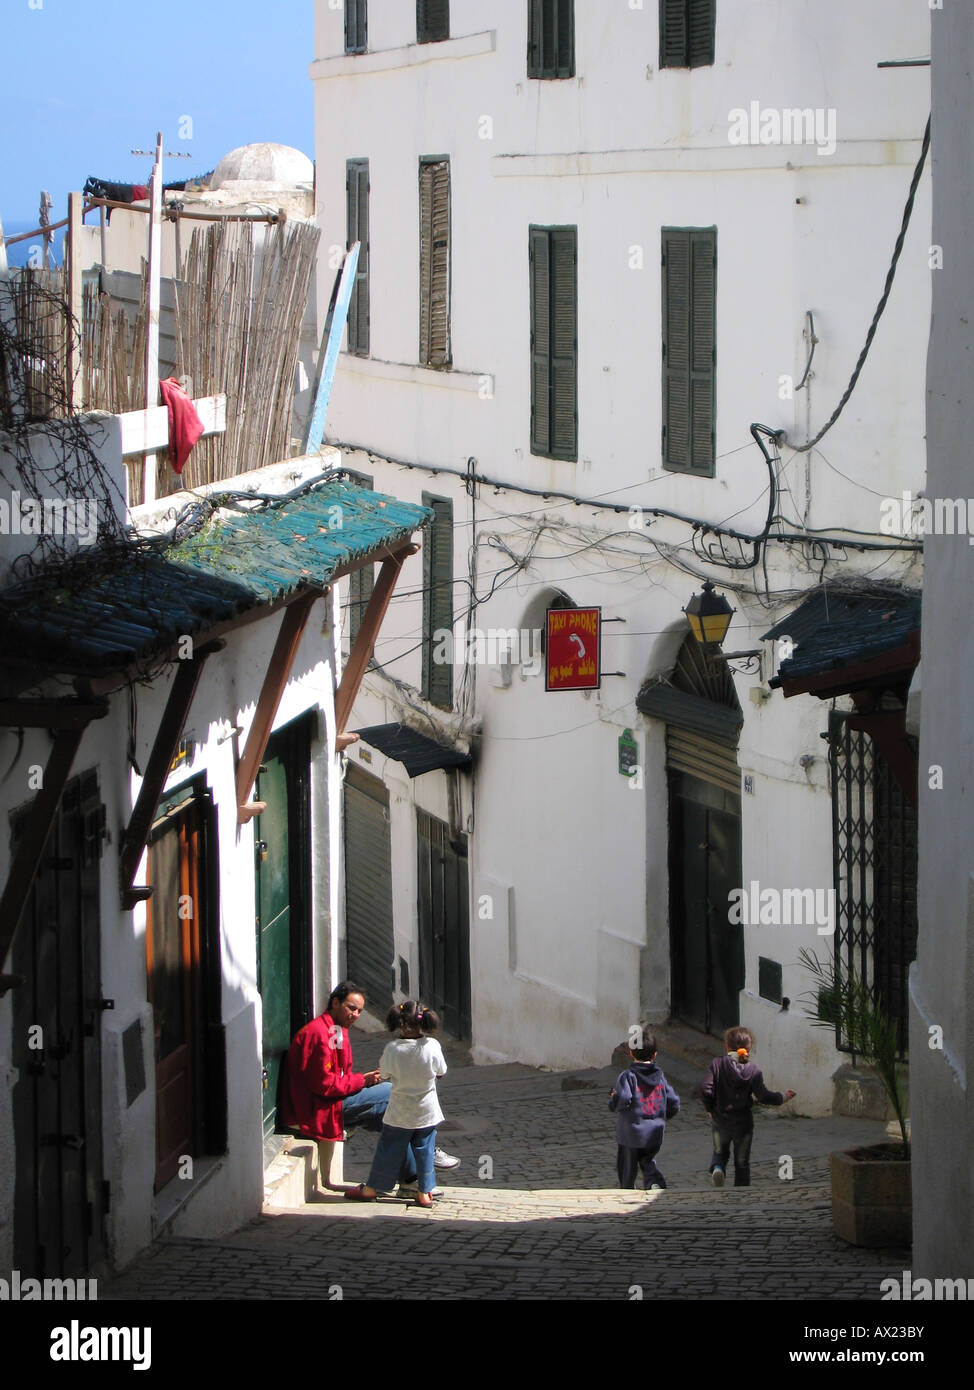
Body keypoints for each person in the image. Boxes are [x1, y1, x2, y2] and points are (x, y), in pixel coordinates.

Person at [345, 1000, 448, 1208]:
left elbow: (384, 1074)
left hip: (399, 1112)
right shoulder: (433, 1046)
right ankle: (424, 1192)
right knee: (425, 1150)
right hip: (427, 1112)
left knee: (389, 1148)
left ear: (399, 1023)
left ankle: (372, 1187)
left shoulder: (392, 1049)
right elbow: (441, 1072)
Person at [700, 1026, 796, 1188]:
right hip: (743, 1124)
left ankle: (718, 1169)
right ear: (750, 1047)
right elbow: (764, 1096)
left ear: (727, 1046)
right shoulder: (753, 1071)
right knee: (742, 1161)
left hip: (720, 1121)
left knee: (719, 1152)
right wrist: (783, 1097)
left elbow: (704, 1089)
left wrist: (710, 1109)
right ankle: (742, 1193)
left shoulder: (717, 1064)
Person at [608, 1026, 680, 1190]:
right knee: (648, 1161)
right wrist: (662, 1117)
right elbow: (673, 1102)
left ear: (631, 1053)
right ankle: (654, 1182)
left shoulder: (628, 1076)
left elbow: (624, 1098)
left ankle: (627, 1190)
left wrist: (614, 1101)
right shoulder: (660, 1077)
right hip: (654, 1132)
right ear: (655, 1054)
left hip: (631, 1133)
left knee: (627, 1165)